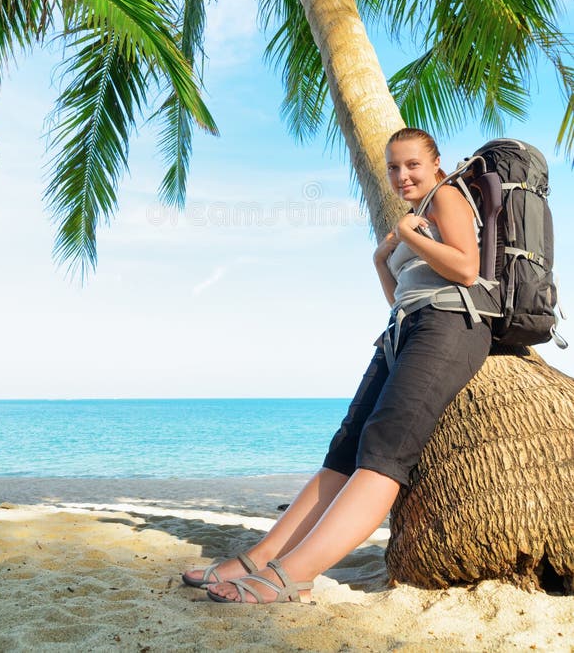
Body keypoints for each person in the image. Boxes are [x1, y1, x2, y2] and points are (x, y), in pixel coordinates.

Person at [182, 127, 493, 604]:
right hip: (405, 327)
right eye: (392, 167)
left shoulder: (445, 196)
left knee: (385, 448)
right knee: (345, 448)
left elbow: (466, 269)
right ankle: (263, 557)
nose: (400, 174)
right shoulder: (414, 215)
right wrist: (380, 259)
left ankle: (294, 575)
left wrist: (410, 235)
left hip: (449, 327)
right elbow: (401, 297)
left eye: (411, 164)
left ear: (435, 163)